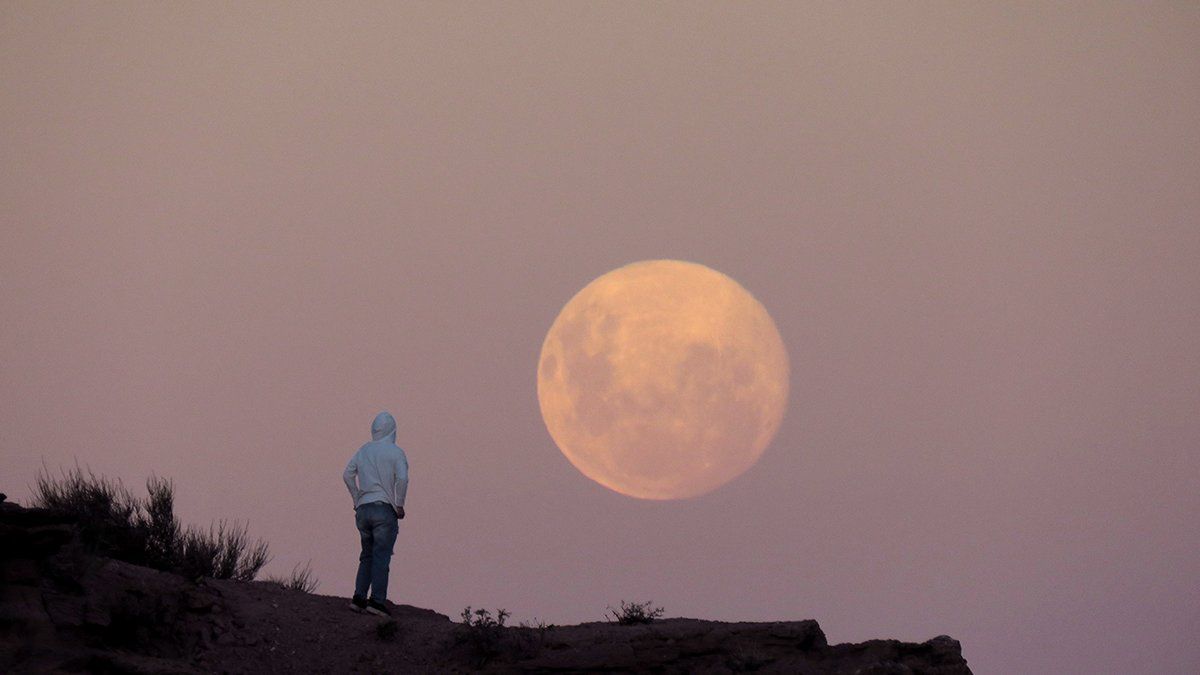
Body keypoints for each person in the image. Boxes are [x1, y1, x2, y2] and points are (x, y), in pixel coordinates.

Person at [343, 411, 409, 616]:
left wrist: (356, 499)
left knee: (367, 555)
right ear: (392, 430)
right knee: (381, 556)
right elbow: (403, 479)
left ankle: (359, 598)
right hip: (383, 510)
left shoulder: (363, 450)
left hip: (363, 510)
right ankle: (377, 602)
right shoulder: (396, 452)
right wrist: (399, 504)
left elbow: (347, 474)